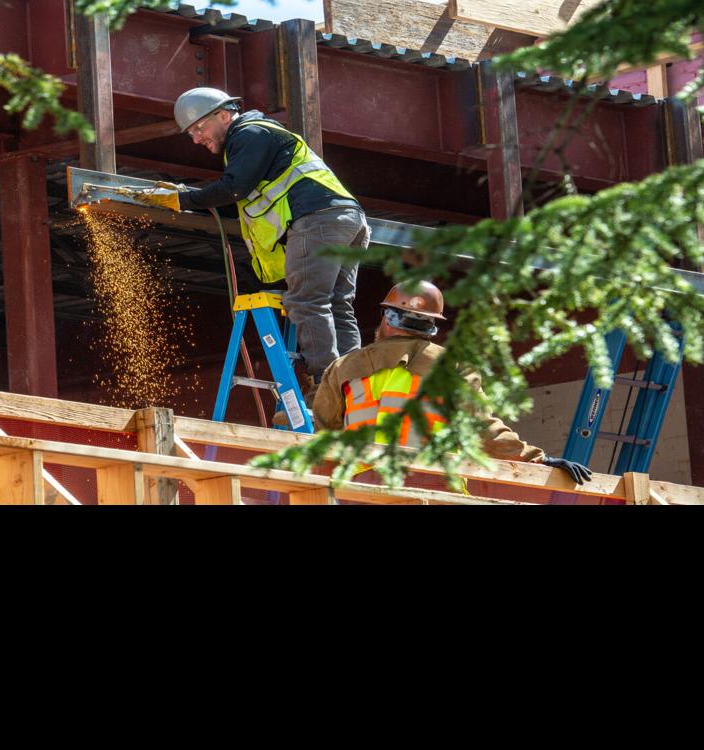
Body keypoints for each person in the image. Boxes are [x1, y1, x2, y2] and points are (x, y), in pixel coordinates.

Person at [138, 87, 367, 398]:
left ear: (223, 115)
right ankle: (352, 387)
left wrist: (181, 199)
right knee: (337, 305)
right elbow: (239, 194)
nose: (196, 139)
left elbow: (234, 188)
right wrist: (190, 196)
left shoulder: (249, 133)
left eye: (199, 128)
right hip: (346, 220)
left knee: (306, 302)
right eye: (190, 133)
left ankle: (325, 386)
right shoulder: (261, 136)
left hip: (318, 220)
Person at [309, 281, 593, 484]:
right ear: (432, 326)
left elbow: (325, 436)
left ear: (387, 317)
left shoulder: (343, 367)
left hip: (362, 486)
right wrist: (538, 459)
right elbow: (482, 430)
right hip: (433, 484)